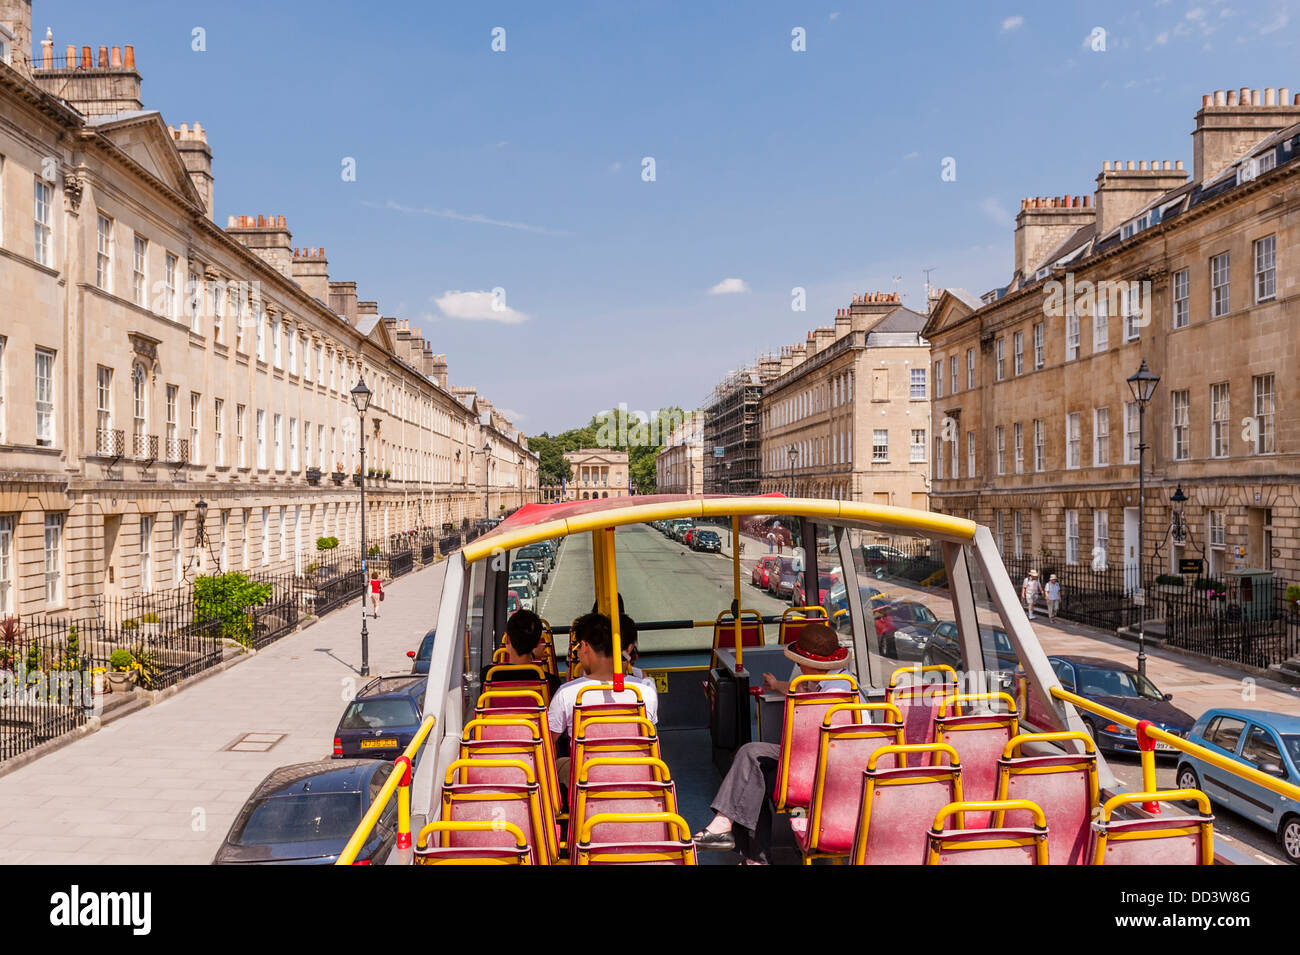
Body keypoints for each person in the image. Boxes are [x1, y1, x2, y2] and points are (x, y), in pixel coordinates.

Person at [693, 622, 849, 864]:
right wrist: (778, 686)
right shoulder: (841, 684)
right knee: (755, 779)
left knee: (750, 755)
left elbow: (807, 739)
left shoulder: (824, 698)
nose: (798, 666)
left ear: (807, 664)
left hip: (817, 769)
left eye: (799, 662)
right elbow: (803, 688)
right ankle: (752, 855)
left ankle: (726, 828)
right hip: (832, 768)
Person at [547, 613, 658, 785]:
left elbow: (545, 744)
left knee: (559, 764)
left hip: (588, 783)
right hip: (637, 779)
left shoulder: (567, 693)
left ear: (584, 646)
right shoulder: (645, 690)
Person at [480, 609, 562, 697]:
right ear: (537, 643)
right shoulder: (550, 682)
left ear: (507, 640)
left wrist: (533, 655)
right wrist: (533, 656)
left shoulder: (488, 674)